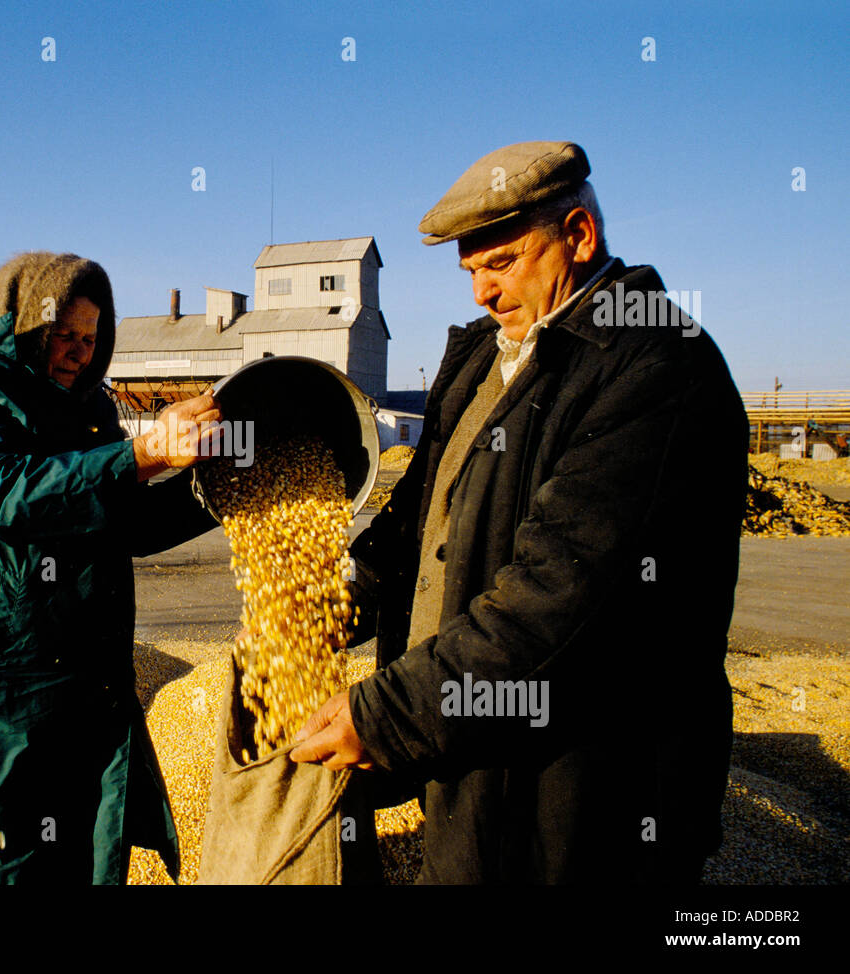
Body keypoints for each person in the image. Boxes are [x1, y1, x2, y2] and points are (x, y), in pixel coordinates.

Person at [289, 141, 750, 883]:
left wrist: (383, 716)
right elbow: (417, 524)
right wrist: (329, 602)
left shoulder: (658, 365)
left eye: (501, 263)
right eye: (469, 270)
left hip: (591, 792)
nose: (479, 292)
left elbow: (561, 598)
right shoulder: (483, 358)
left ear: (578, 235)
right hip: (480, 766)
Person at [0, 251, 222, 884]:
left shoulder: (88, 405)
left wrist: (224, 491)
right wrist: (145, 452)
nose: (77, 352)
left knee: (82, 859)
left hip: (85, 687)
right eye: (63, 336)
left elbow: (123, 522)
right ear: (19, 323)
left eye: (91, 339)